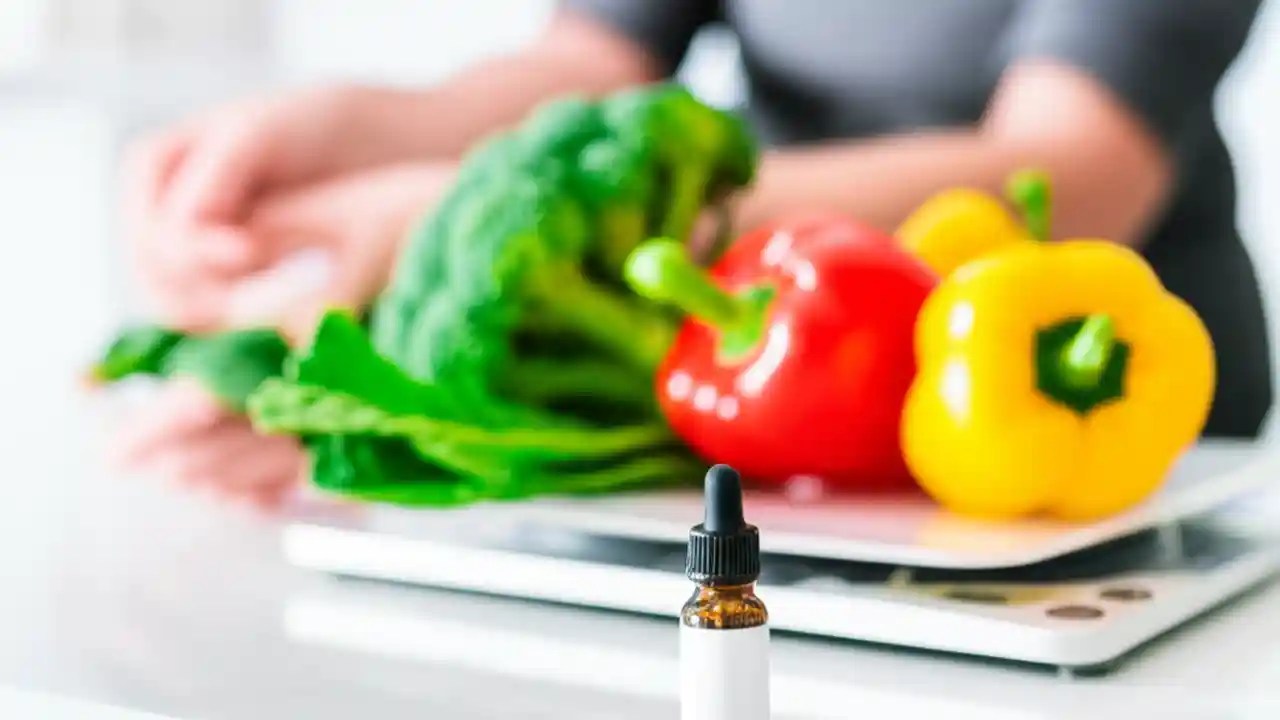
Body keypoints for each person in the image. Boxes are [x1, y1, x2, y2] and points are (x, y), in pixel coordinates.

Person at [117, 0, 1271, 507]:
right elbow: (586, 66)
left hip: (1115, 448)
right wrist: (359, 122)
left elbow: (1071, 176)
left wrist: (506, 228)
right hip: (770, 385)